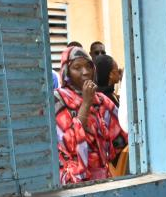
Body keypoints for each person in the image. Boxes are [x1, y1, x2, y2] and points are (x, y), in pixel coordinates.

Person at [54, 45, 127, 184]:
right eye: (77, 67)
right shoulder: (57, 100)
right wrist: (86, 103)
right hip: (73, 181)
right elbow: (69, 146)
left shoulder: (101, 100)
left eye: (88, 66)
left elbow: (122, 136)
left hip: (102, 177)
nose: (85, 72)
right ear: (66, 72)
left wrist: (102, 157)